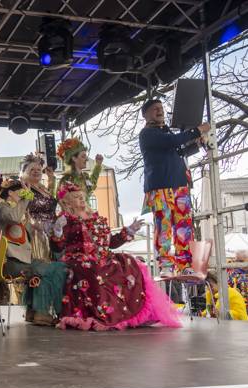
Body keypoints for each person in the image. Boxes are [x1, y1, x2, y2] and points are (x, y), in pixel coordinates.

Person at [52, 182, 181, 331]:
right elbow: (58, 247)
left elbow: (111, 243)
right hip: (79, 258)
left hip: (103, 256)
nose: (81, 200)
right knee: (92, 268)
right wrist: (58, 231)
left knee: (130, 263)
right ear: (67, 201)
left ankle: (131, 314)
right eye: (76, 197)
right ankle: (104, 315)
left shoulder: (94, 217)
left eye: (82, 196)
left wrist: (129, 231)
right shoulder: (65, 219)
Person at [139, 99, 211, 277]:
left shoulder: (165, 133)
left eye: (161, 108)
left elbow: (178, 151)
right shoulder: (147, 133)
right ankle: (165, 264)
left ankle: (184, 263)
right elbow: (172, 142)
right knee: (164, 225)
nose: (160, 111)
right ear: (146, 114)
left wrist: (197, 144)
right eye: (155, 109)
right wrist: (197, 130)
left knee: (183, 226)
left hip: (179, 186)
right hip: (160, 187)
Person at [0, 179, 69, 326]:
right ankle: (57, 311)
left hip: (23, 262)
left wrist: (50, 228)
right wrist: (26, 199)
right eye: (21, 192)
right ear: (10, 193)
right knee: (58, 269)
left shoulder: (23, 212)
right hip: (9, 263)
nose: (25, 196)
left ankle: (36, 313)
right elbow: (13, 217)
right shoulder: (2, 207)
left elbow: (29, 231)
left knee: (45, 274)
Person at [56, 137, 103, 204]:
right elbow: (60, 200)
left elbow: (92, 185)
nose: (86, 160)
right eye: (83, 156)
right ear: (74, 158)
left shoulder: (85, 177)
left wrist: (98, 166)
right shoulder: (66, 180)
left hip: (87, 212)